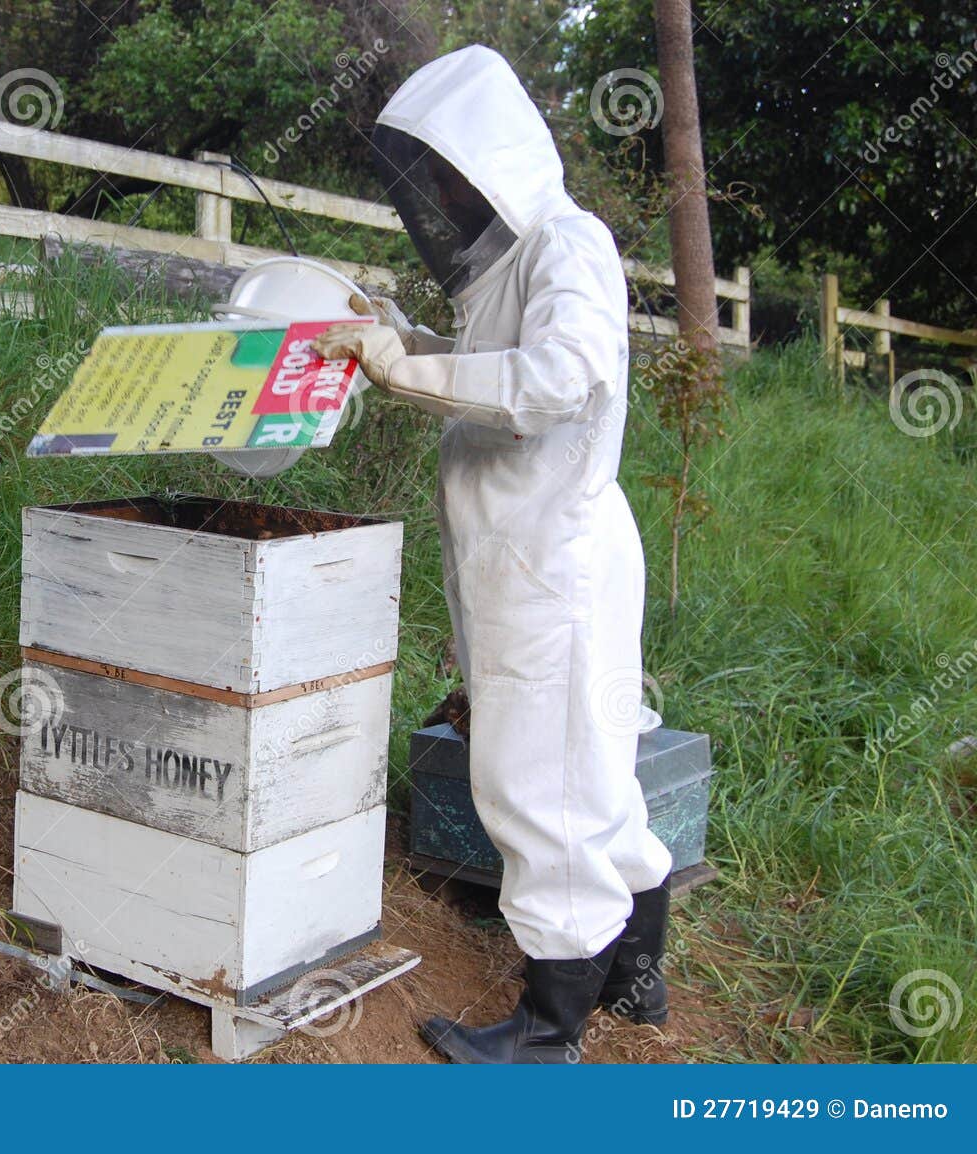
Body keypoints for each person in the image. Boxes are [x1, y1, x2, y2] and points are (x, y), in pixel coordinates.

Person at [311, 45, 674, 1064]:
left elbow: (558, 377)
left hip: (550, 560)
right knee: (592, 771)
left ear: (494, 161)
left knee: (532, 782)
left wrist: (406, 372)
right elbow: (492, 366)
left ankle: (549, 1029)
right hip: (539, 551)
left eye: (449, 173)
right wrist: (402, 338)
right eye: (427, 178)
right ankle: (636, 973)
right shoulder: (516, 261)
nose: (436, 194)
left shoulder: (569, 243)